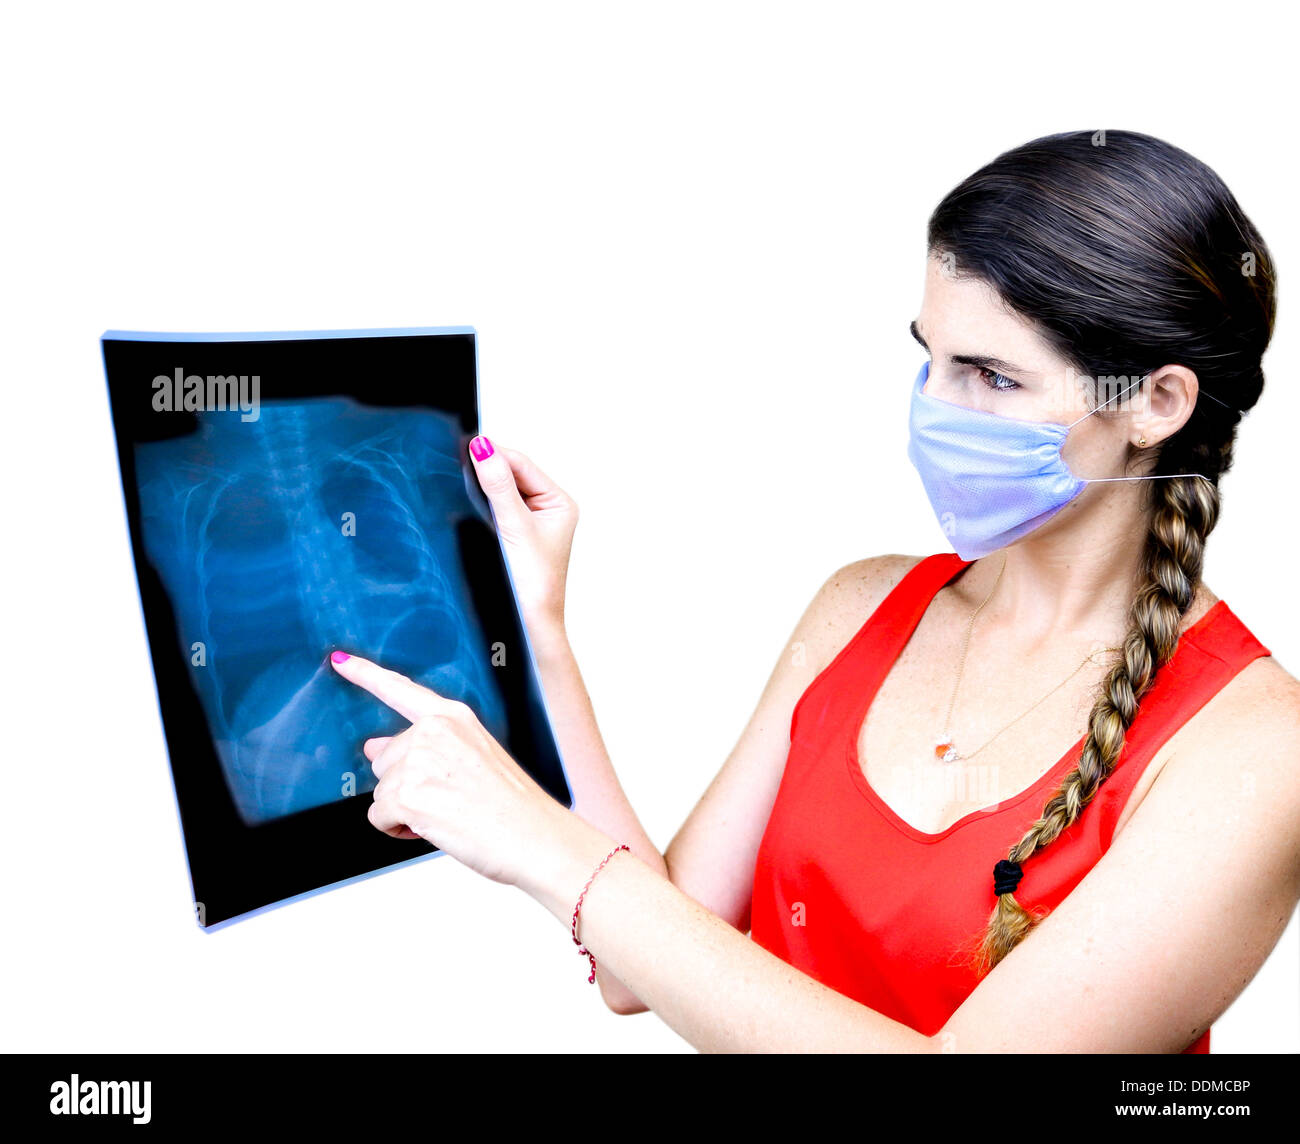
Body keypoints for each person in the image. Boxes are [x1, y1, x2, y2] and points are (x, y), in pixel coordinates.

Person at [329, 129, 1300, 1052]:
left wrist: (542, 845)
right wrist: (539, 624)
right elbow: (647, 955)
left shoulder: (1254, 749)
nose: (935, 409)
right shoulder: (859, 608)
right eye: (931, 358)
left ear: (1154, 403)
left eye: (991, 378)